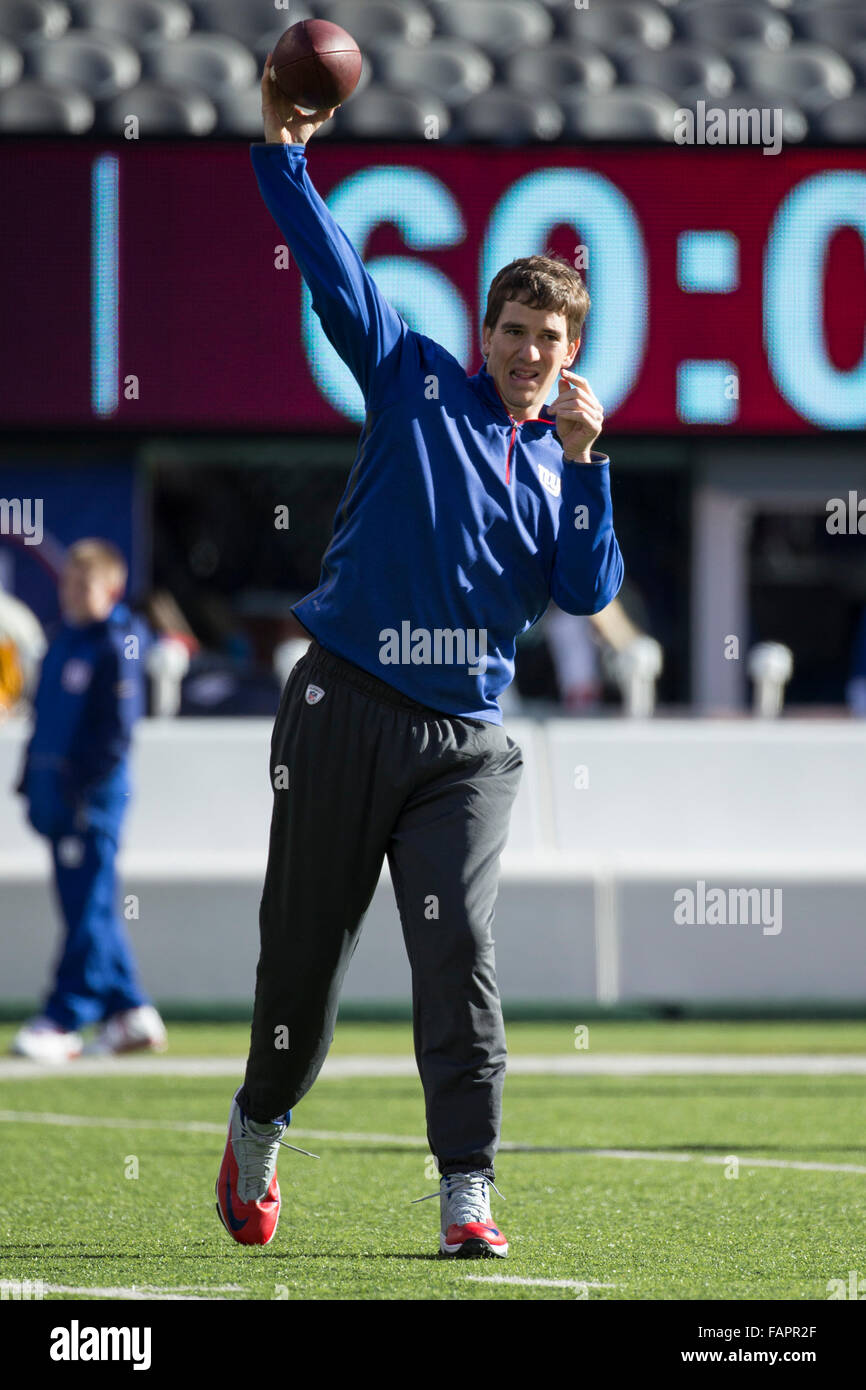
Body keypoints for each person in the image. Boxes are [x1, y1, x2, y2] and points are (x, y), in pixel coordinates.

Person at [215, 61, 624, 1259]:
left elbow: (586, 590)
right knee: (304, 960)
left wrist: (593, 469)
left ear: (571, 353)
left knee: (459, 954)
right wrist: (286, 153)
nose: (527, 350)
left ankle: (467, 1191)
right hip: (342, 704)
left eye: (548, 338)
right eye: (511, 329)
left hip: (464, 747)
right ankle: (258, 1122)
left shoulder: (563, 466)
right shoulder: (411, 379)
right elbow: (334, 268)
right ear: (483, 330)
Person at [11, 539, 167, 1062]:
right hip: (57, 801)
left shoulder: (117, 643)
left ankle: (64, 1016)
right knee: (88, 904)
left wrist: (81, 792)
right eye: (68, 583)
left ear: (112, 587)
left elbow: (116, 733)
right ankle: (131, 1012)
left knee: (89, 907)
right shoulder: (61, 642)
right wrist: (29, 782)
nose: (72, 594)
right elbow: (43, 721)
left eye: (84, 585)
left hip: (93, 802)